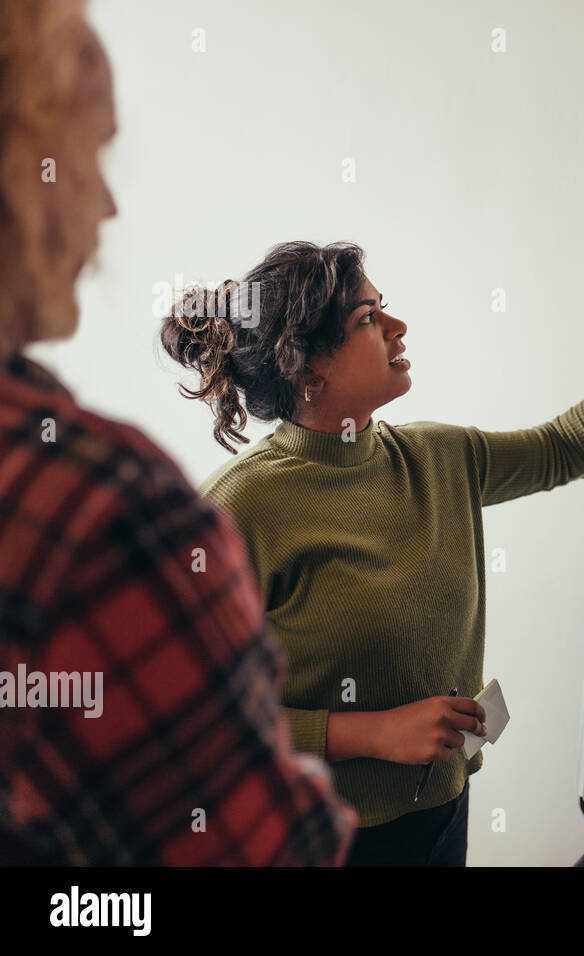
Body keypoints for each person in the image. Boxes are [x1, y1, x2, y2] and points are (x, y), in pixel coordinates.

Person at [161, 239, 584, 865]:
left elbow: (562, 449)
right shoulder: (241, 507)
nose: (398, 327)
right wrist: (371, 733)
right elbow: (186, 717)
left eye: (383, 308)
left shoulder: (438, 457)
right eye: (367, 319)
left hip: (441, 815)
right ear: (308, 371)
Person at [0, 0, 356, 865]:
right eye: (93, 153)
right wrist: (368, 735)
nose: (112, 203)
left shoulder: (434, 453)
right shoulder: (104, 509)